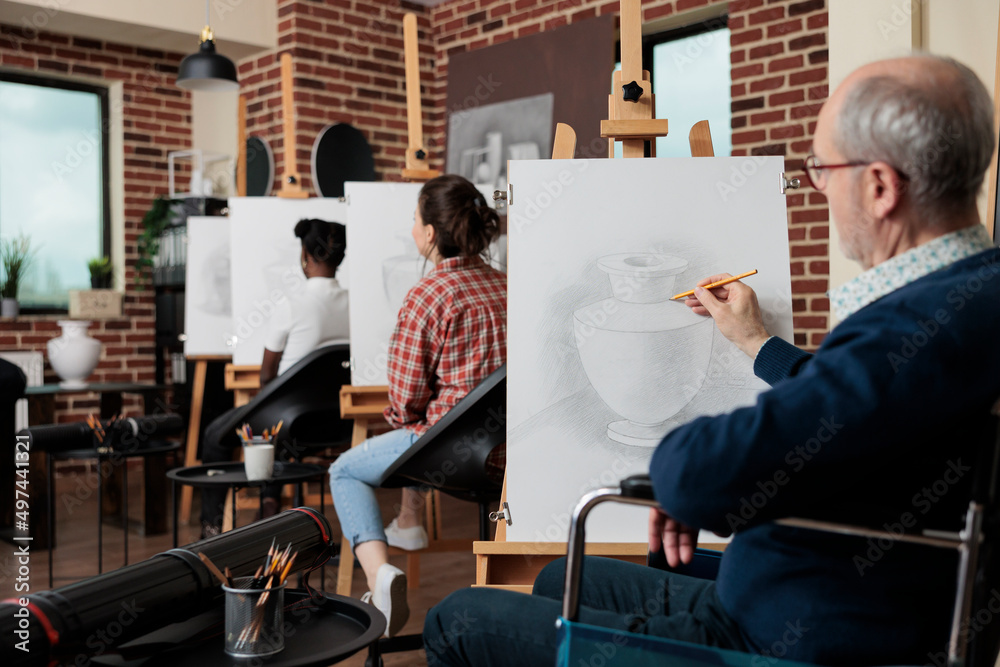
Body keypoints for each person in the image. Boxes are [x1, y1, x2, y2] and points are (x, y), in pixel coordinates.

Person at [424, 54, 1000, 666]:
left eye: (823, 169)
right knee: (554, 578)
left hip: (779, 639)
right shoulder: (971, 297)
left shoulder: (914, 325)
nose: (819, 186)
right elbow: (854, 404)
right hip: (806, 601)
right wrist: (755, 341)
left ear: (881, 187)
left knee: (457, 619)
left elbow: (700, 468)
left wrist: (684, 479)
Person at [329, 174, 506, 637]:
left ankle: (379, 575)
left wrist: (411, 419)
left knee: (345, 470)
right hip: (511, 455)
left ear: (430, 233)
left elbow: (405, 400)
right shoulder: (509, 286)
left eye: (414, 219)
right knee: (423, 433)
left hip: (450, 454)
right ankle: (408, 523)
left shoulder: (428, 295)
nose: (412, 228)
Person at [200, 218, 349, 537]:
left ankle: (212, 530)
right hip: (336, 421)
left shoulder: (292, 304)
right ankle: (269, 505)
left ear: (305, 255)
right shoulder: (354, 305)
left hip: (288, 423)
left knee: (216, 434)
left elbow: (267, 374)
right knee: (276, 416)